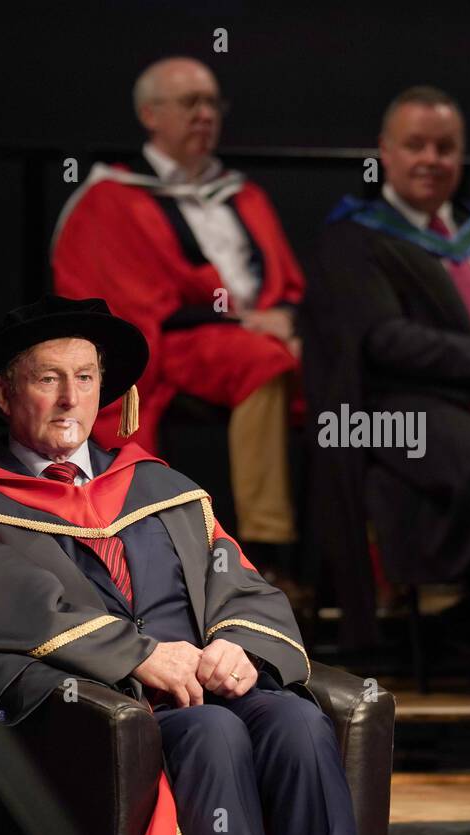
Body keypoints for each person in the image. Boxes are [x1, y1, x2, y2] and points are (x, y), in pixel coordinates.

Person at [0, 295, 358, 835]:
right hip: (97, 708)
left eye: (84, 377)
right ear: (3, 393)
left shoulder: (157, 487)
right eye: (48, 378)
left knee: (299, 720)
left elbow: (237, 580)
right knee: (213, 732)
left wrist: (236, 646)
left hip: (200, 685)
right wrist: (136, 656)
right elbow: (0, 600)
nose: (70, 398)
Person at [305, 85, 470, 647]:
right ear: (386, 151)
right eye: (416, 146)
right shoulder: (355, 235)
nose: (431, 160)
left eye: (445, 147)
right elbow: (386, 340)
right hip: (394, 405)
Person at [53, 57, 302, 559]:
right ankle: (269, 545)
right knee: (264, 361)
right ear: (150, 114)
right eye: (191, 103)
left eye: (212, 103)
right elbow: (126, 309)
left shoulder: (244, 194)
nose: (205, 114)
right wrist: (246, 324)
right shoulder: (111, 199)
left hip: (257, 332)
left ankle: (369, 563)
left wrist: (290, 320)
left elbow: (287, 282)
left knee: (352, 367)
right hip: (175, 341)